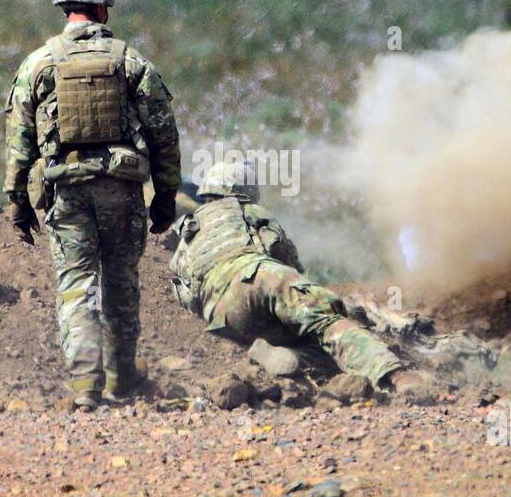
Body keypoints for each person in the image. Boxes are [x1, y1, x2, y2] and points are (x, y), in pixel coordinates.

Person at [3, 0, 182, 409]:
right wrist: (165, 195)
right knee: (121, 285)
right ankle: (122, 384)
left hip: (66, 192)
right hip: (122, 192)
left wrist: (17, 202)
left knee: (76, 286)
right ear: (103, 6)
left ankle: (86, 388)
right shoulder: (130, 61)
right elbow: (164, 133)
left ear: (66, 8)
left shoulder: (39, 63)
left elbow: (20, 140)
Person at [170, 161, 430, 401]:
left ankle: (289, 358)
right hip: (259, 276)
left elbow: (187, 296)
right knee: (326, 324)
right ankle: (398, 377)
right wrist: (310, 296)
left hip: (222, 315)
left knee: (312, 346)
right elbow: (283, 254)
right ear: (241, 189)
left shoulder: (187, 237)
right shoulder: (244, 209)